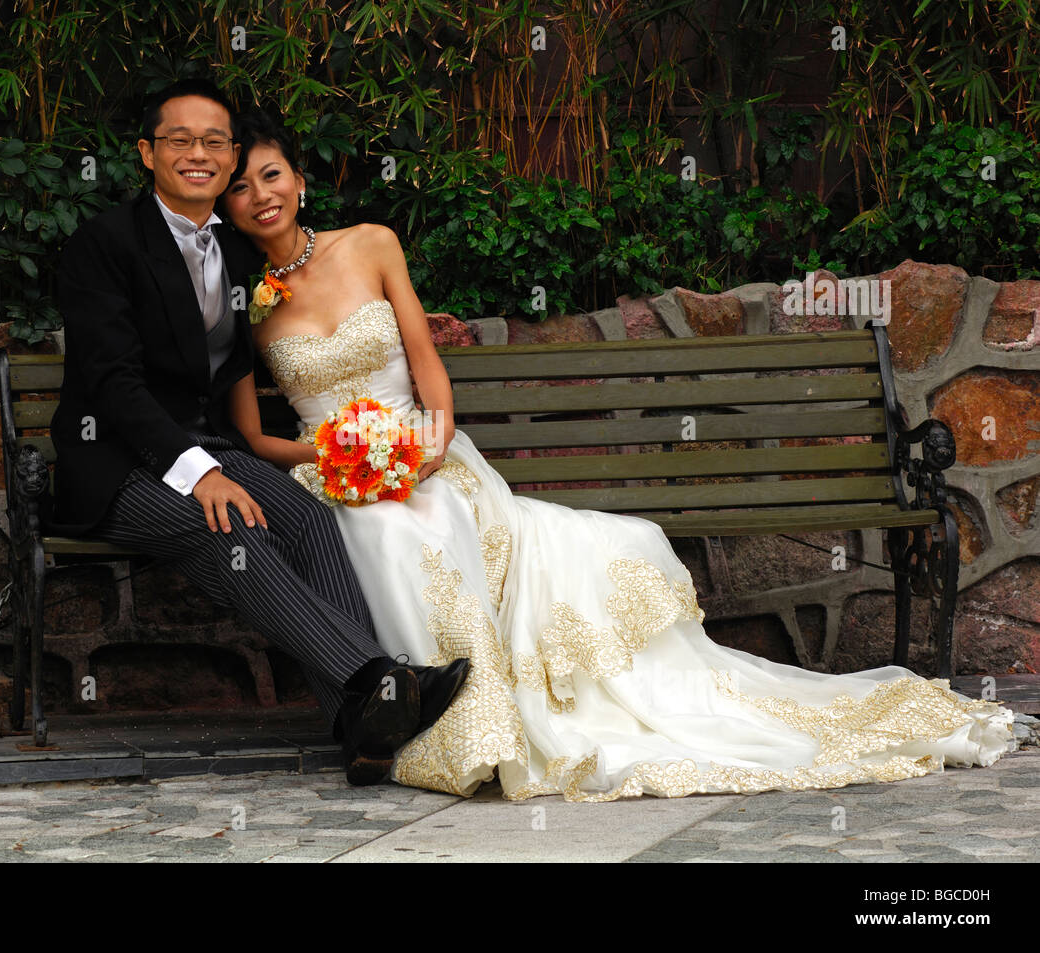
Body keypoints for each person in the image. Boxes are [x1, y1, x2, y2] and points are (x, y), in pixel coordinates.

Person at [218, 107, 1017, 801]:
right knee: (380, 535)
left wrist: (419, 447)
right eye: (242, 187)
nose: (262, 196)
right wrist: (337, 461)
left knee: (429, 525)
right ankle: (426, 718)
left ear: (300, 179)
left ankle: (467, 713)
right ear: (226, 205)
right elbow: (256, 436)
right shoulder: (243, 308)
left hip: (428, 455)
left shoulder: (372, 244)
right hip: (333, 477)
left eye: (273, 174)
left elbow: (431, 376)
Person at [48, 80, 470, 786]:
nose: (199, 153)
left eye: (215, 142)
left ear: (231, 156)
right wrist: (199, 473)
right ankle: (379, 679)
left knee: (308, 520)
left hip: (209, 450)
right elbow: (114, 384)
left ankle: (359, 727)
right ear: (147, 153)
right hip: (118, 464)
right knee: (229, 528)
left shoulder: (240, 257)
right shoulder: (105, 244)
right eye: (179, 140)